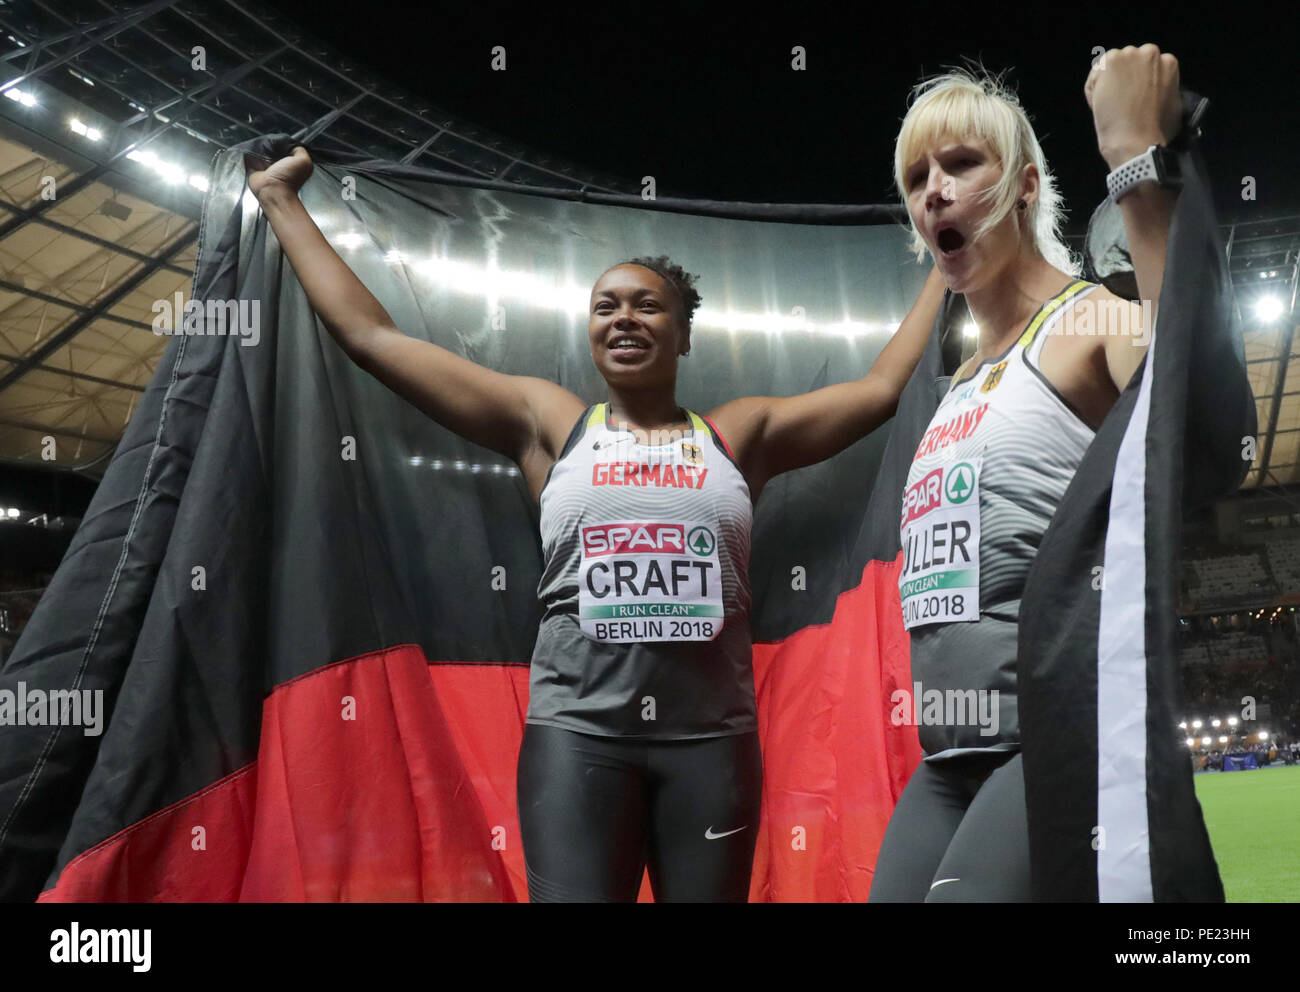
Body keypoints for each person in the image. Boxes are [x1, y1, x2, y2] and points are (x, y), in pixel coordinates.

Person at [244, 146, 948, 902]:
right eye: (606, 305)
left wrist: (950, 259)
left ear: (683, 335)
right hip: (578, 741)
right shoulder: (548, 424)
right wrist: (282, 202)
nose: (623, 316)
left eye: (647, 305)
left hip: (710, 749)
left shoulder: (740, 436)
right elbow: (374, 340)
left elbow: (878, 390)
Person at [870, 46, 1184, 902]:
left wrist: (1138, 163)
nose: (934, 187)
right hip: (949, 753)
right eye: (915, 176)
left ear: (1026, 185)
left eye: (961, 162)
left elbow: (1184, 386)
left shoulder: (1093, 321)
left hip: (1049, 738)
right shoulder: (958, 384)